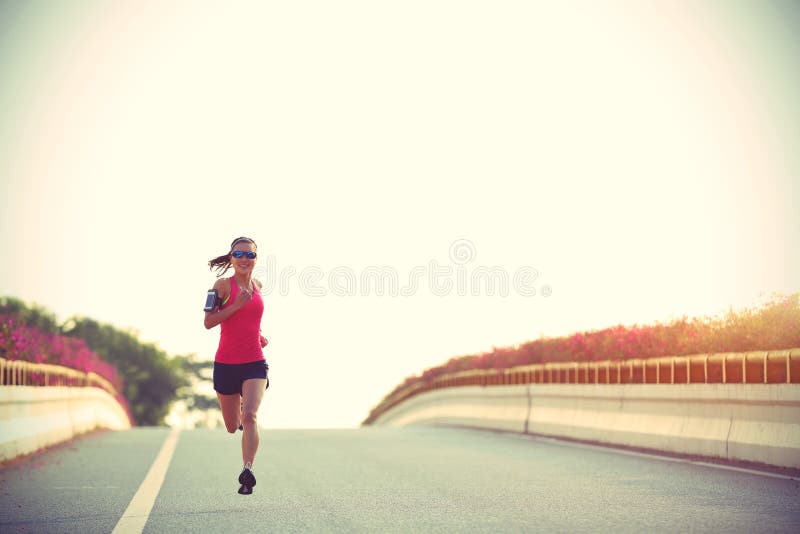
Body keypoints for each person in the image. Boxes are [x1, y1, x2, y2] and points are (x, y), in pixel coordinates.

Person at [204, 236, 269, 495]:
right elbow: (208, 322)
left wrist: (260, 334)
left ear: (256, 259)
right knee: (233, 426)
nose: (244, 259)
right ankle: (239, 410)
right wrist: (237, 305)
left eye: (249, 255)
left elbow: (252, 319)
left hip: (255, 362)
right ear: (231, 258)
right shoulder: (221, 286)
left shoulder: (258, 286)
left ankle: (247, 470)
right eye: (239, 254)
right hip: (226, 365)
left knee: (251, 415)